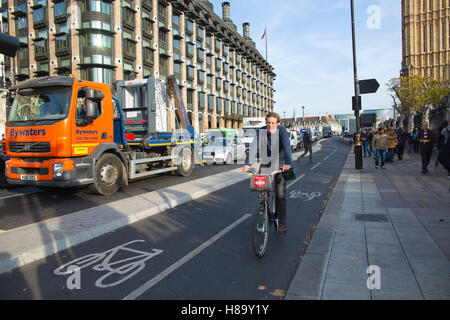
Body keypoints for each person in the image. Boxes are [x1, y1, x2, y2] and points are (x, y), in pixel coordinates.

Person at [243, 112, 292, 234]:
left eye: (273, 123)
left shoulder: (282, 131)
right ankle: (267, 212)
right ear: (265, 122)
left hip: (280, 162)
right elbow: (254, 147)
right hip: (267, 161)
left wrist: (288, 163)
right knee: (262, 187)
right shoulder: (261, 131)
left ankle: (282, 222)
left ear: (277, 123)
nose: (270, 125)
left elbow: (287, 148)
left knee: (280, 194)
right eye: (268, 122)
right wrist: (247, 164)